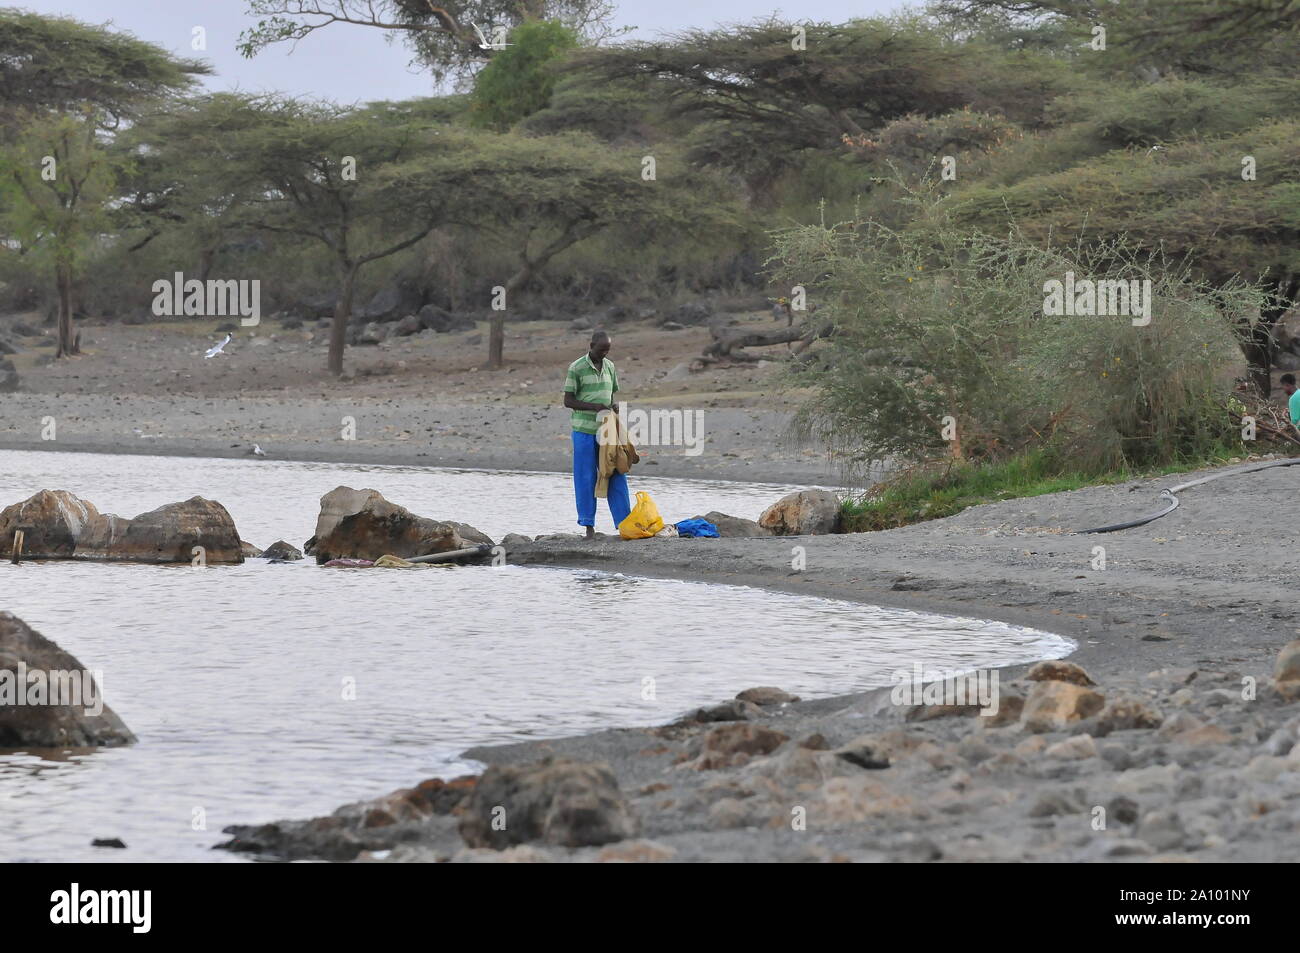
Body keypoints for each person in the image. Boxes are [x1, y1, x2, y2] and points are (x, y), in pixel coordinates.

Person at [563, 330, 631, 538]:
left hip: (606, 430)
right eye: (601, 350)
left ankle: (624, 523)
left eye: (607, 350)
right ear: (591, 346)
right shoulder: (577, 368)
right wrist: (594, 407)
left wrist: (613, 407)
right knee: (586, 477)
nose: (604, 354)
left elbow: (611, 396)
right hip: (583, 431)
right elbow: (568, 401)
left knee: (616, 472)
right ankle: (588, 525)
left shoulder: (610, 366)